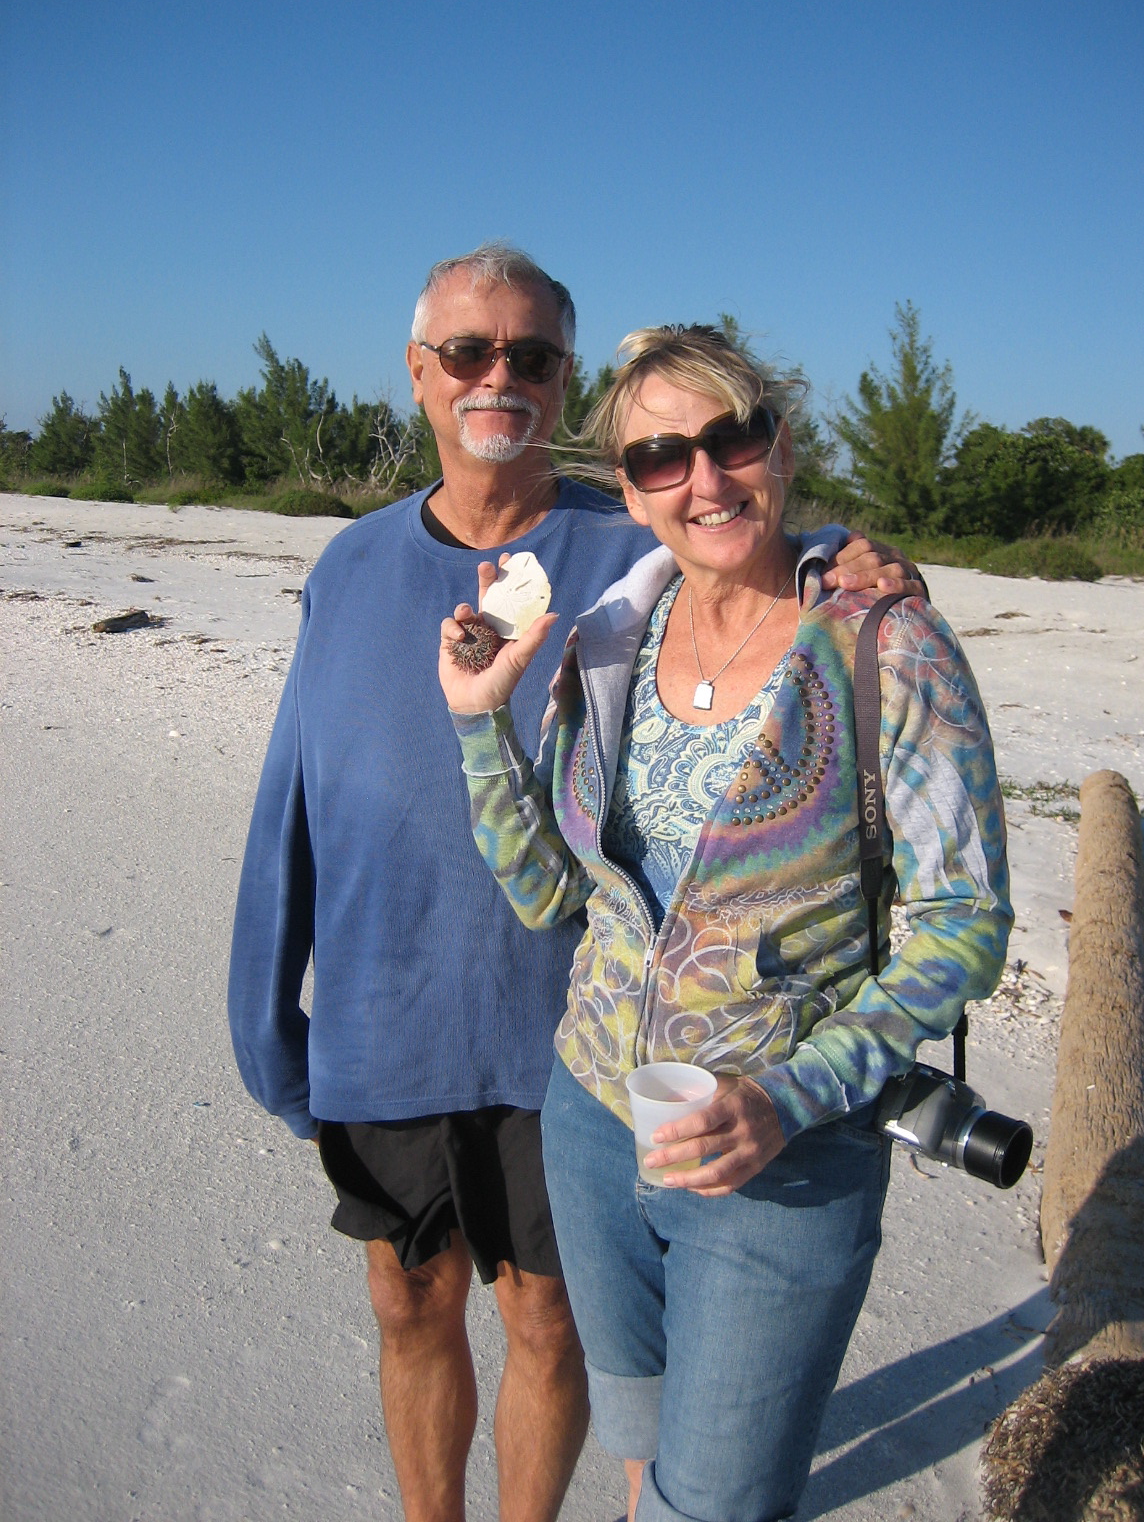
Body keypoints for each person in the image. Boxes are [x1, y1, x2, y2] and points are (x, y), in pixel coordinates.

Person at [228, 246, 925, 1522]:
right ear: (419, 372)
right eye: (469, 353)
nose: (499, 378)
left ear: (562, 380)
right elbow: (293, 806)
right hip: (384, 1025)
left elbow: (755, 545)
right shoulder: (349, 567)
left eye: (533, 356)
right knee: (407, 1299)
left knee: (549, 1321)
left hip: (572, 1042)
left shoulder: (630, 546)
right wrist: (268, 1025)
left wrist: (854, 554)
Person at [438, 323, 1012, 1522]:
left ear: (781, 445)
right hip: (593, 1125)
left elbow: (962, 925)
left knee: (719, 1503)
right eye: (660, 456)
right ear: (631, 488)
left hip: (781, 1161)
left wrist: (789, 1095)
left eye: (730, 438)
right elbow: (552, 894)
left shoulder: (885, 644)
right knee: (644, 1452)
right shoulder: (608, 642)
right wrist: (478, 724)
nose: (703, 478)